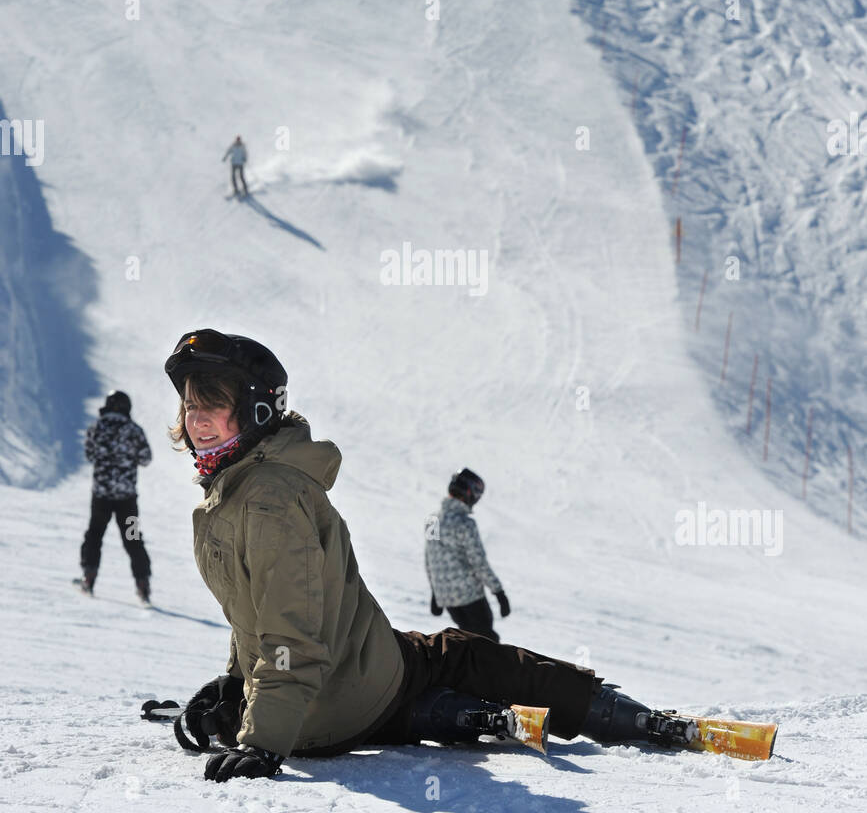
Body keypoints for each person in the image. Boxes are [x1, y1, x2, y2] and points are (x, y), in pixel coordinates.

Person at [163, 328, 700, 783]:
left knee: (406, 677)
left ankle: (448, 714)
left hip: (307, 714)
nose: (198, 418)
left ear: (255, 408)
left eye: (214, 404)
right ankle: (629, 719)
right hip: (333, 703)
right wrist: (259, 732)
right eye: (191, 404)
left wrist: (244, 692)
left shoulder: (240, 494)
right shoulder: (267, 494)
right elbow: (285, 631)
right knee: (461, 654)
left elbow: (260, 615)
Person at [80, 391, 152, 602]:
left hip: (101, 497)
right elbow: (146, 458)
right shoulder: (134, 430)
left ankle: (89, 578)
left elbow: (89, 455)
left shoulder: (97, 427)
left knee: (95, 536)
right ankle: (143, 586)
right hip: (126, 500)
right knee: (133, 538)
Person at [425, 468, 509, 641]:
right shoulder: (464, 523)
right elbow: (478, 562)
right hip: (470, 597)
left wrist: (436, 592)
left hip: (448, 599)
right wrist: (499, 592)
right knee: (488, 643)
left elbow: (431, 559)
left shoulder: (433, 520)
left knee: (469, 641)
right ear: (469, 493)